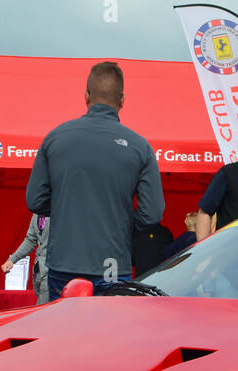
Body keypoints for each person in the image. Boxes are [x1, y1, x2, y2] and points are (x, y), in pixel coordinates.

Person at [26, 61, 164, 300]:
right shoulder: (140, 147)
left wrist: (66, 206)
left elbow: (35, 200)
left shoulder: (55, 138)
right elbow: (152, 214)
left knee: (65, 331)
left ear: (86, 96)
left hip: (64, 262)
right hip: (112, 262)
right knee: (108, 334)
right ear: (122, 101)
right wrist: (120, 218)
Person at [2, 214, 50, 303]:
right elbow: (31, 239)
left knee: (43, 313)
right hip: (38, 271)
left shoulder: (60, 210)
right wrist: (12, 260)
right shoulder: (36, 213)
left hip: (52, 272)